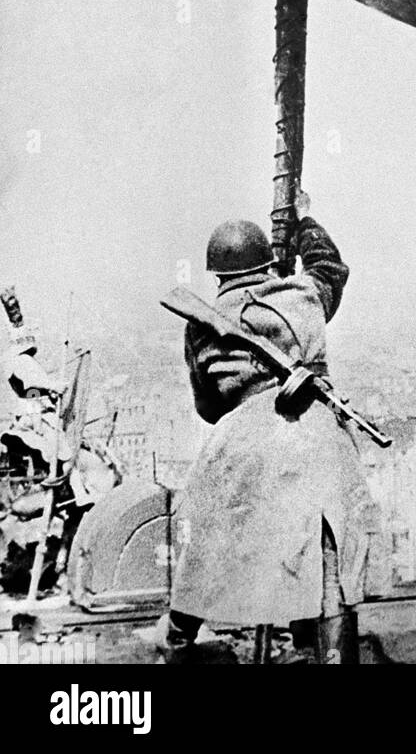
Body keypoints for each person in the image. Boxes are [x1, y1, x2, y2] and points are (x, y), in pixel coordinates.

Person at [162, 191, 372, 663]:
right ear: (267, 260)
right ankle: (318, 652)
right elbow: (329, 266)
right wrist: (303, 218)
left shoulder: (200, 324)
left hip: (241, 444)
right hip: (318, 437)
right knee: (324, 555)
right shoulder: (303, 296)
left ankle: (179, 636)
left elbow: (208, 407)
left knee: (209, 536)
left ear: (217, 273)